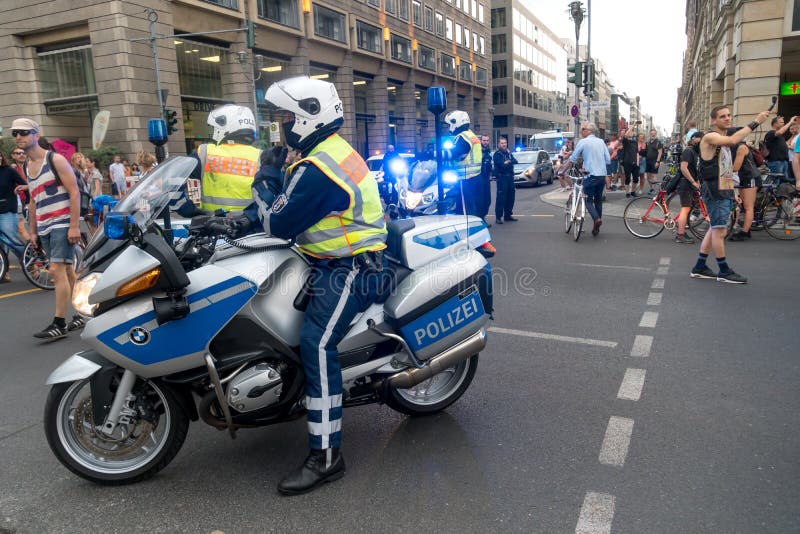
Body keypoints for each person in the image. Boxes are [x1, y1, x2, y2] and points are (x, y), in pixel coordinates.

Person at [251, 76, 387, 495]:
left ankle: (326, 456)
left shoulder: (320, 168)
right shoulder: (320, 155)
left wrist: (265, 176)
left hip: (350, 269)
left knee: (315, 343)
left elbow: (278, 221)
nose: (284, 125)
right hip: (324, 262)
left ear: (310, 116)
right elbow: (282, 212)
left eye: (289, 117)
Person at [12, 118, 85, 337]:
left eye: (23, 132)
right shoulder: (27, 165)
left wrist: (73, 226)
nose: (18, 137)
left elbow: (74, 192)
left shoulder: (55, 159)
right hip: (44, 224)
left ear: (35, 134)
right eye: (15, 133)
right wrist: (33, 231)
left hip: (62, 223)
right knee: (68, 270)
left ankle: (59, 323)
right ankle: (81, 313)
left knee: (56, 270)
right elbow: (34, 200)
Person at [689, 105, 770, 284]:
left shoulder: (722, 140)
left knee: (714, 229)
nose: (727, 118)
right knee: (720, 230)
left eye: (728, 115)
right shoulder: (710, 137)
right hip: (715, 191)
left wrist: (732, 191)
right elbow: (734, 140)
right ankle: (724, 271)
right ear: (714, 120)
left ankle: (700, 267)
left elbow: (724, 170)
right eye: (722, 116)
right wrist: (756, 121)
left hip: (723, 190)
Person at [189, 104, 261, 214]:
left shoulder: (205, 153)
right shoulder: (262, 157)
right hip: (254, 226)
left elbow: (174, 179)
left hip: (214, 226)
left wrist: (188, 210)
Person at [570, 122, 611, 236]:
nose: (581, 131)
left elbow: (573, 158)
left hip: (590, 175)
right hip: (601, 175)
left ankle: (597, 219)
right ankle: (596, 228)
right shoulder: (601, 142)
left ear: (589, 131)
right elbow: (608, 160)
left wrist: (563, 169)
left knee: (588, 200)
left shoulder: (583, 142)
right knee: (598, 201)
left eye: (583, 129)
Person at [442, 110, 483, 215]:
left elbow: (455, 153)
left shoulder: (463, 137)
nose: (448, 127)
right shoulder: (471, 135)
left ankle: (467, 230)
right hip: (474, 177)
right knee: (470, 206)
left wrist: (434, 154)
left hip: (466, 178)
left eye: (449, 124)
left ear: (456, 122)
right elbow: (463, 156)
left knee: (465, 209)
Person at [728, 127, 762, 241]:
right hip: (745, 178)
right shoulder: (737, 146)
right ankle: (745, 229)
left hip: (750, 178)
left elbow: (736, 167)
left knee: (748, 207)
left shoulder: (741, 147)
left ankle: (745, 232)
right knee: (745, 205)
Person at [0, 152, 28, 282]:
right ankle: (4, 272)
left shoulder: (9, 171)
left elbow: (24, 185)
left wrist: (28, 202)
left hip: (7, 210)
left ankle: (31, 264)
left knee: (12, 241)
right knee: (1, 244)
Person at [674, 131, 703, 244]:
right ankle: (680, 235)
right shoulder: (688, 151)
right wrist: (693, 181)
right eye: (701, 140)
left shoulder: (695, 152)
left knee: (688, 208)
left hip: (690, 184)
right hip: (685, 184)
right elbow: (683, 168)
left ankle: (682, 231)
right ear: (694, 139)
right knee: (685, 209)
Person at [493, 137, 518, 224]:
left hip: (510, 177)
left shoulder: (508, 153)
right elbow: (501, 165)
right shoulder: (497, 154)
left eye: (505, 143)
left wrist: (508, 161)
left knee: (511, 197)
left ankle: (508, 215)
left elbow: (515, 161)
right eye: (502, 143)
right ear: (499, 144)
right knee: (501, 198)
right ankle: (498, 217)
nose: (504, 144)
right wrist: (506, 163)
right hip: (502, 178)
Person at [619, 128, 639, 197]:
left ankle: (633, 191)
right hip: (627, 162)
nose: (630, 133)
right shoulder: (625, 141)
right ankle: (627, 192)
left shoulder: (635, 142)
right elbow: (625, 135)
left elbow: (637, 153)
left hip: (635, 163)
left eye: (631, 132)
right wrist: (633, 125)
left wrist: (637, 163)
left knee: (636, 179)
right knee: (628, 178)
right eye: (629, 132)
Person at [478, 134, 493, 225]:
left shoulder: (488, 151)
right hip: (479, 177)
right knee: (481, 199)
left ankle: (483, 216)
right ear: (481, 141)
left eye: (487, 140)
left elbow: (490, 164)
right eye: (484, 140)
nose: (486, 142)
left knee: (487, 199)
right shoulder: (478, 151)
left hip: (487, 177)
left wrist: (491, 174)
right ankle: (481, 219)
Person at [644, 129, 663, 194]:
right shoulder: (648, 142)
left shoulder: (658, 142)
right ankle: (651, 188)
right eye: (652, 133)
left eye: (654, 133)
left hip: (655, 161)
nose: (653, 134)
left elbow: (660, 153)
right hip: (648, 161)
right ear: (650, 134)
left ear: (656, 134)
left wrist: (657, 162)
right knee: (648, 176)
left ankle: (653, 189)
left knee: (654, 175)